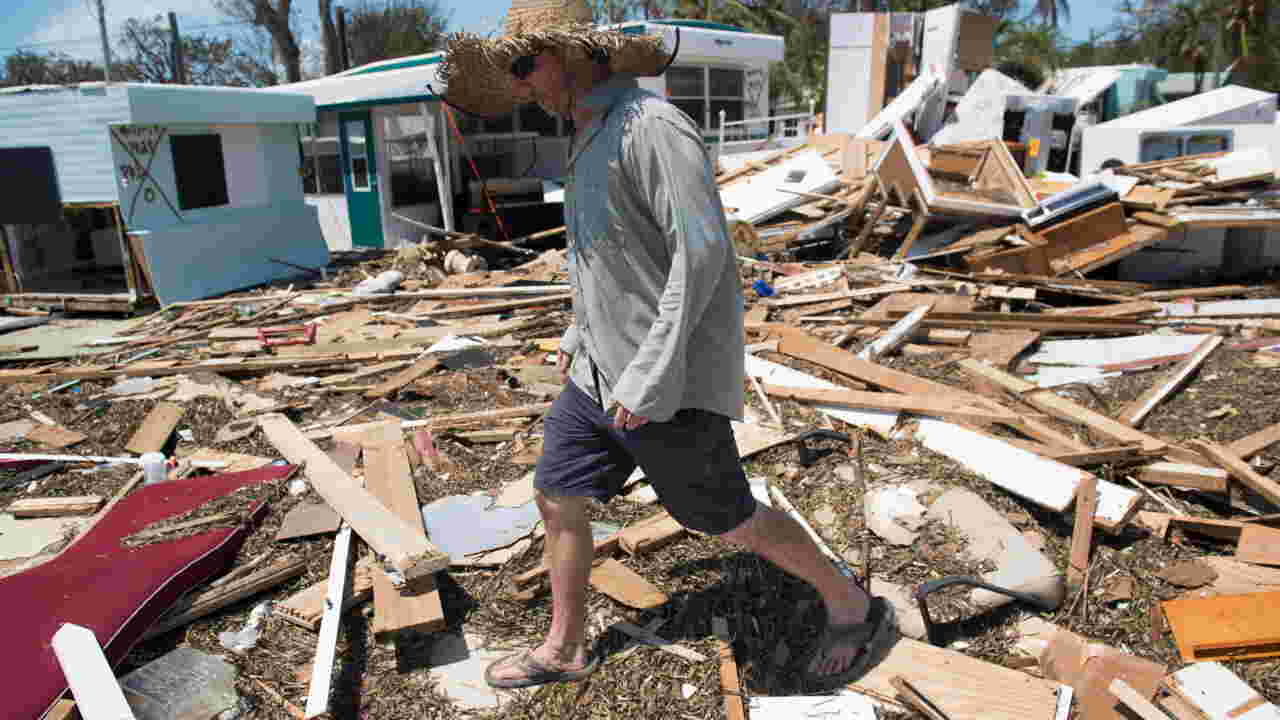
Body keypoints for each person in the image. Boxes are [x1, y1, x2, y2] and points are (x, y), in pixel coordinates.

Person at [438, 0, 896, 692]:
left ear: (571, 56)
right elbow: (612, 259)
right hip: (600, 377)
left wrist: (651, 374)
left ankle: (851, 604)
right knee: (558, 494)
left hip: (661, 383)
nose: (522, 84)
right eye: (512, 70)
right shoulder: (587, 137)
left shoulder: (651, 129)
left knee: (727, 519)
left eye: (526, 65)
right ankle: (563, 648)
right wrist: (578, 331)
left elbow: (703, 256)